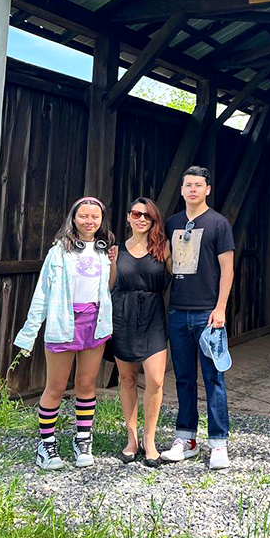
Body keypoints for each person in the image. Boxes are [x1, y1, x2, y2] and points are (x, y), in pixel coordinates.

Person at [14, 197, 115, 471]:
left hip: (95, 323)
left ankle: (83, 439)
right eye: (84, 216)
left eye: (95, 216)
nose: (89, 221)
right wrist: (30, 332)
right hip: (64, 322)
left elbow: (108, 288)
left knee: (86, 385)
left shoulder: (105, 251)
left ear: (101, 220)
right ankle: (46, 444)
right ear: (73, 218)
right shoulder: (58, 252)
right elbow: (42, 294)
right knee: (56, 387)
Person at [160, 166, 235, 470]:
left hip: (207, 313)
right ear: (181, 190)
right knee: (184, 379)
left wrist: (221, 308)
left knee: (213, 379)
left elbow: (227, 269)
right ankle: (186, 439)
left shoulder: (219, 224)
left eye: (198, 185)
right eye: (187, 185)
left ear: (208, 189)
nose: (192, 189)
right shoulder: (173, 223)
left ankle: (218, 443)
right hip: (178, 311)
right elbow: (168, 261)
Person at [109, 197, 170, 468]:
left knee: (156, 380)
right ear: (128, 217)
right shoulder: (116, 251)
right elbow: (108, 285)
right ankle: (132, 438)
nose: (142, 219)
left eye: (147, 216)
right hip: (122, 315)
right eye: (137, 214)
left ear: (154, 220)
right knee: (127, 378)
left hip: (153, 315)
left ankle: (150, 439)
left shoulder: (163, 248)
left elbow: (182, 273)